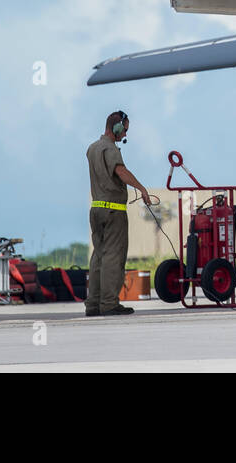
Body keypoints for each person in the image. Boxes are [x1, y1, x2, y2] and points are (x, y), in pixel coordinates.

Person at [86, 110, 151, 317]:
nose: (124, 135)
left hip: (96, 209)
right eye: (124, 130)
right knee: (114, 257)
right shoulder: (110, 149)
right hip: (113, 212)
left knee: (98, 257)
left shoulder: (92, 149)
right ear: (116, 127)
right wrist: (141, 188)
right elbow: (120, 172)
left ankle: (93, 305)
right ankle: (109, 304)